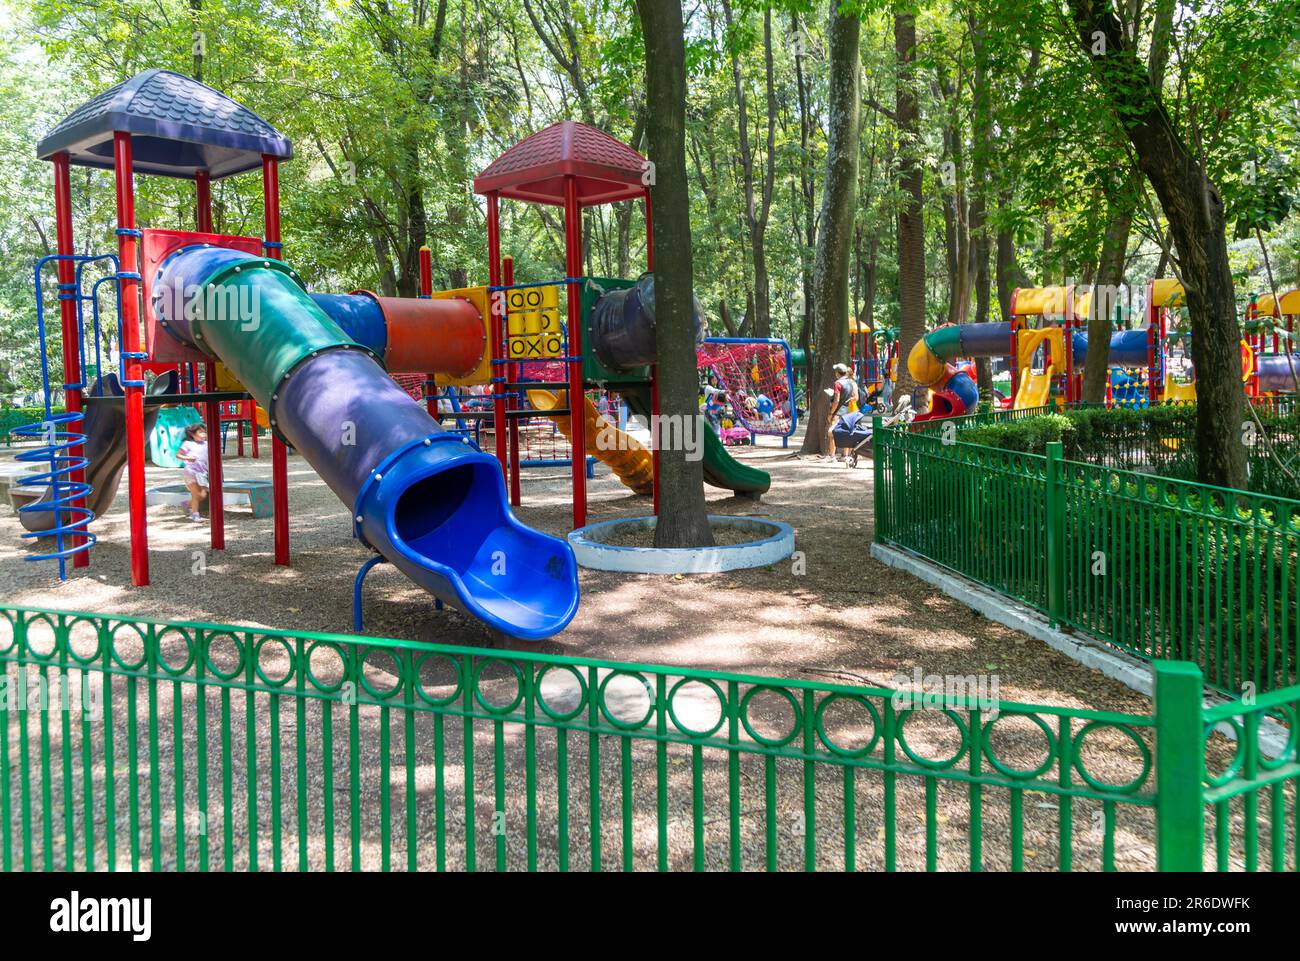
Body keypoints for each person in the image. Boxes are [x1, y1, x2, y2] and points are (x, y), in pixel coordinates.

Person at [823, 362, 860, 460]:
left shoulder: (838, 383)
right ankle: (845, 455)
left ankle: (832, 456)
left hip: (838, 412)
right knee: (845, 432)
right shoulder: (850, 382)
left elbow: (837, 400)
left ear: (838, 373)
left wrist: (831, 413)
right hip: (848, 411)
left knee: (832, 433)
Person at [177, 423, 210, 522]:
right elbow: (178, 455)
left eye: (205, 432)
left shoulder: (207, 444)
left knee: (203, 495)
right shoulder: (188, 443)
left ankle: (187, 503)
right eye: (200, 432)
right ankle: (195, 514)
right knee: (196, 494)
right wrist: (188, 458)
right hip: (190, 472)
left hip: (202, 473)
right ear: (193, 434)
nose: (204, 434)